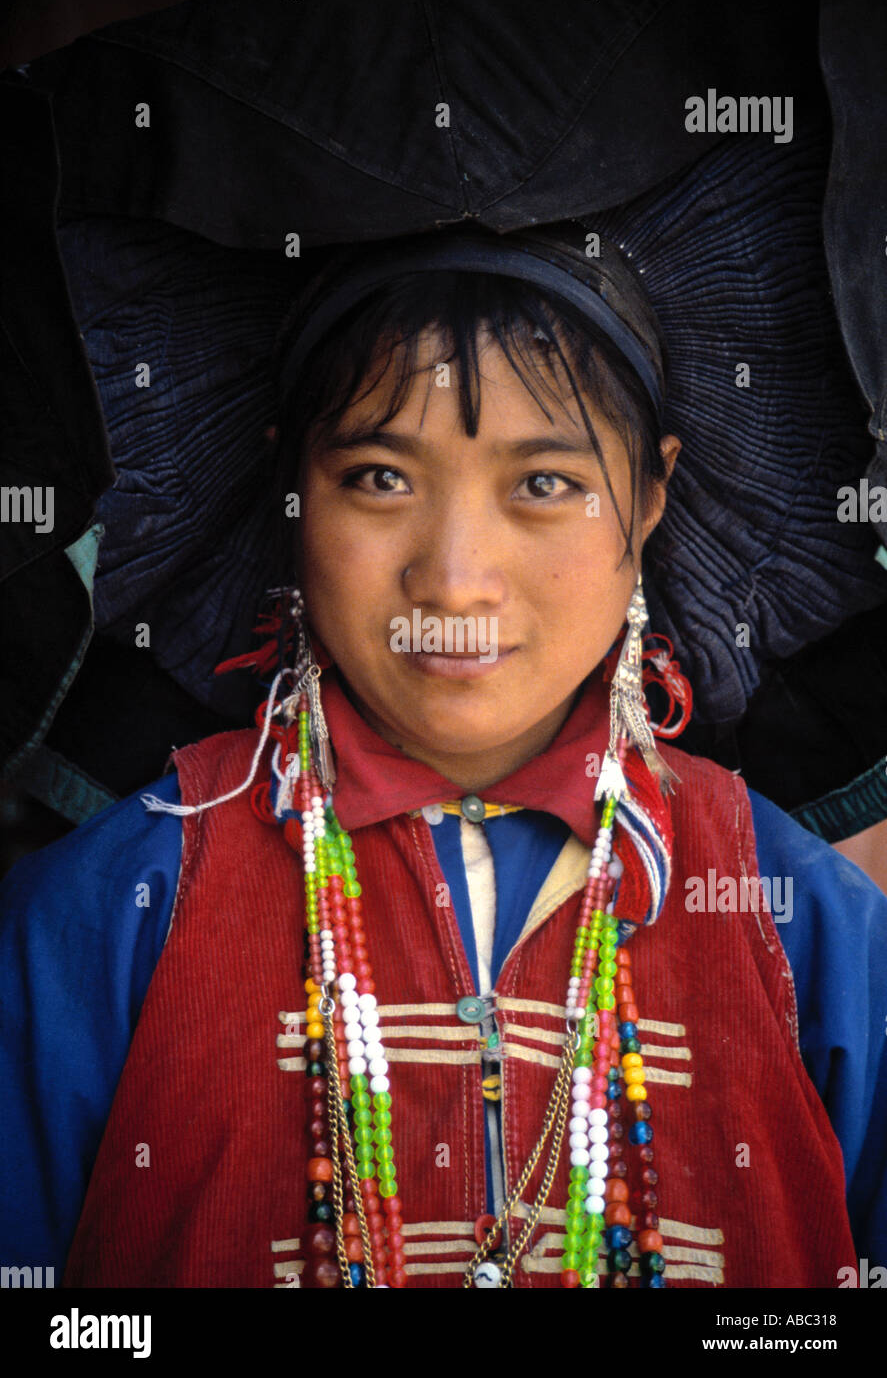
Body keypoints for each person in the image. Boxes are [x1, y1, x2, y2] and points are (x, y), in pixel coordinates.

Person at [1, 225, 885, 1289]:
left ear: (649, 499)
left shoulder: (802, 922)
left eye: (545, 484)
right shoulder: (107, 909)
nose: (456, 578)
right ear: (295, 494)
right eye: (378, 476)